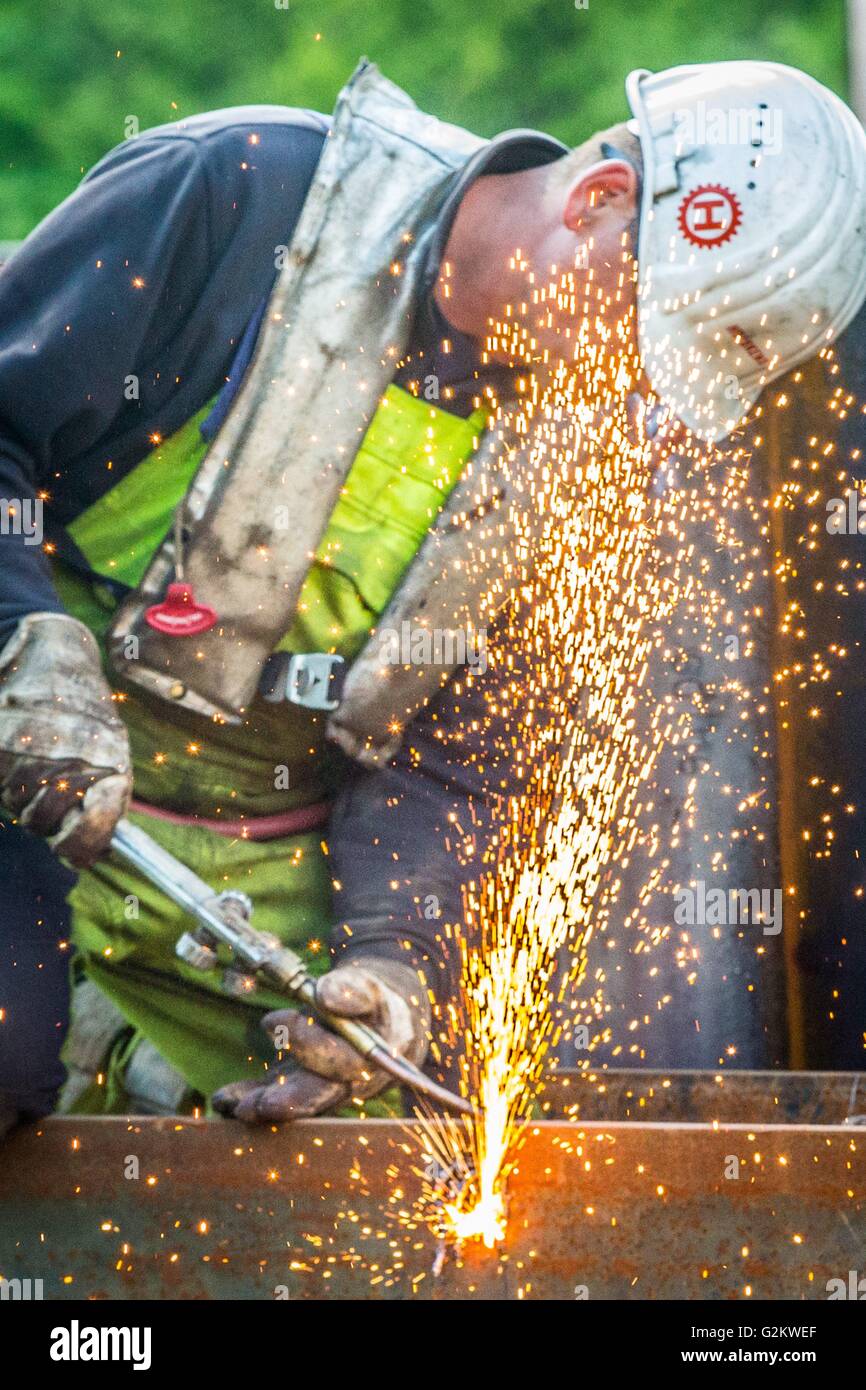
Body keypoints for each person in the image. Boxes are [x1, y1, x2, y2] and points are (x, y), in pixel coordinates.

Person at [1, 59, 864, 1132]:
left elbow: (454, 758)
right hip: (24, 778)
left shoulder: (571, 456)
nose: (628, 392)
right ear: (595, 202)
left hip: (242, 872)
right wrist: (21, 642)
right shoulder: (238, 196)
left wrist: (394, 962)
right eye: (638, 347)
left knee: (393, 1172)